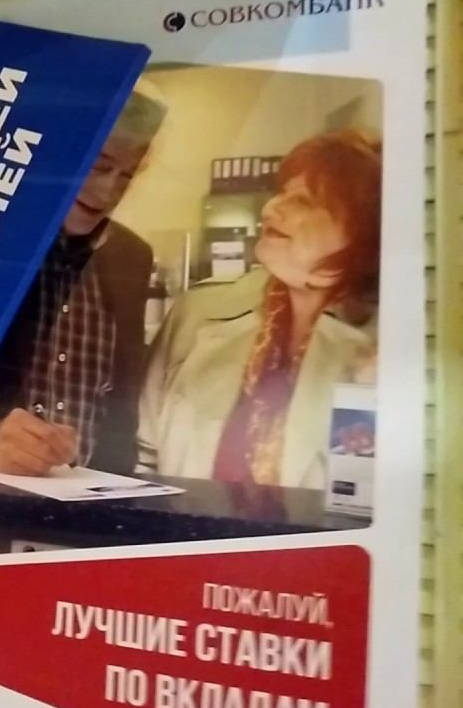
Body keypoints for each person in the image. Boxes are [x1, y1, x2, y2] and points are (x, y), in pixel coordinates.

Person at [137, 130, 381, 491]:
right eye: (282, 193)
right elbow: (143, 455)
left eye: (303, 201)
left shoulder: (385, 343)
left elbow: (364, 492)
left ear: (358, 231)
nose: (270, 208)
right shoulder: (199, 310)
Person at [0, 84, 167, 476]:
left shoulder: (132, 255)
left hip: (94, 494)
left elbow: (123, 404)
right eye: (98, 166)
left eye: (127, 175)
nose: (109, 191)